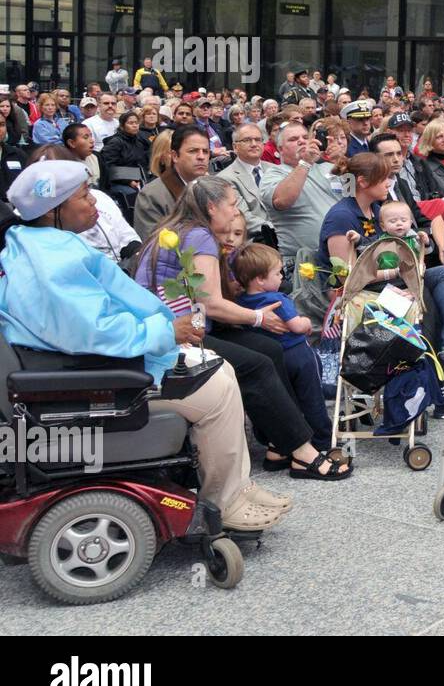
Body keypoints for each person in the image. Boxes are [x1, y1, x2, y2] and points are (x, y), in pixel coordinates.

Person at [0, 161, 289, 531]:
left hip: (86, 361)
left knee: (215, 363)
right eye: (84, 196)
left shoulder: (35, 243)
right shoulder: (53, 259)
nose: (94, 204)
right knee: (217, 383)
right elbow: (96, 330)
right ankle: (225, 497)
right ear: (53, 209)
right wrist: (167, 332)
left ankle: (236, 487)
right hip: (91, 372)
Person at [136, 177, 352, 480]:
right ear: (212, 207)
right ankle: (303, 452)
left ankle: (280, 444)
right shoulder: (199, 235)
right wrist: (259, 318)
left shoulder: (180, 230)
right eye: (232, 204)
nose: (236, 210)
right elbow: (208, 304)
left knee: (269, 348)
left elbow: (198, 304)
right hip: (174, 337)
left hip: (181, 325)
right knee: (256, 364)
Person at [231, 243, 334, 454]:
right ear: (260, 279)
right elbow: (296, 326)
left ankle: (278, 443)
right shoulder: (278, 300)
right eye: (277, 273)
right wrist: (306, 323)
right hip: (299, 355)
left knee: (286, 400)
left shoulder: (240, 303)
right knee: (312, 397)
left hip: (273, 358)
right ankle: (322, 439)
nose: (281, 278)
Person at [261, 121, 347, 263]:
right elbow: (281, 201)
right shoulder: (274, 173)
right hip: (305, 262)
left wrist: (341, 159)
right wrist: (306, 162)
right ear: (280, 149)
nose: (301, 141)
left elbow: (353, 195)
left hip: (343, 252)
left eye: (305, 138)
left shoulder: (328, 167)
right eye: (294, 139)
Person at [133, 124, 210, 239]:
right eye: (193, 151)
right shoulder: (151, 195)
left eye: (205, 151)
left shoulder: (213, 187)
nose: (201, 157)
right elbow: (153, 247)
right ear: (175, 156)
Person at [217, 123, 275, 244]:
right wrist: (279, 229)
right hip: (257, 242)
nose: (254, 144)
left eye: (258, 140)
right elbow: (243, 218)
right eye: (247, 140)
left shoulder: (275, 169)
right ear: (235, 146)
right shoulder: (225, 178)